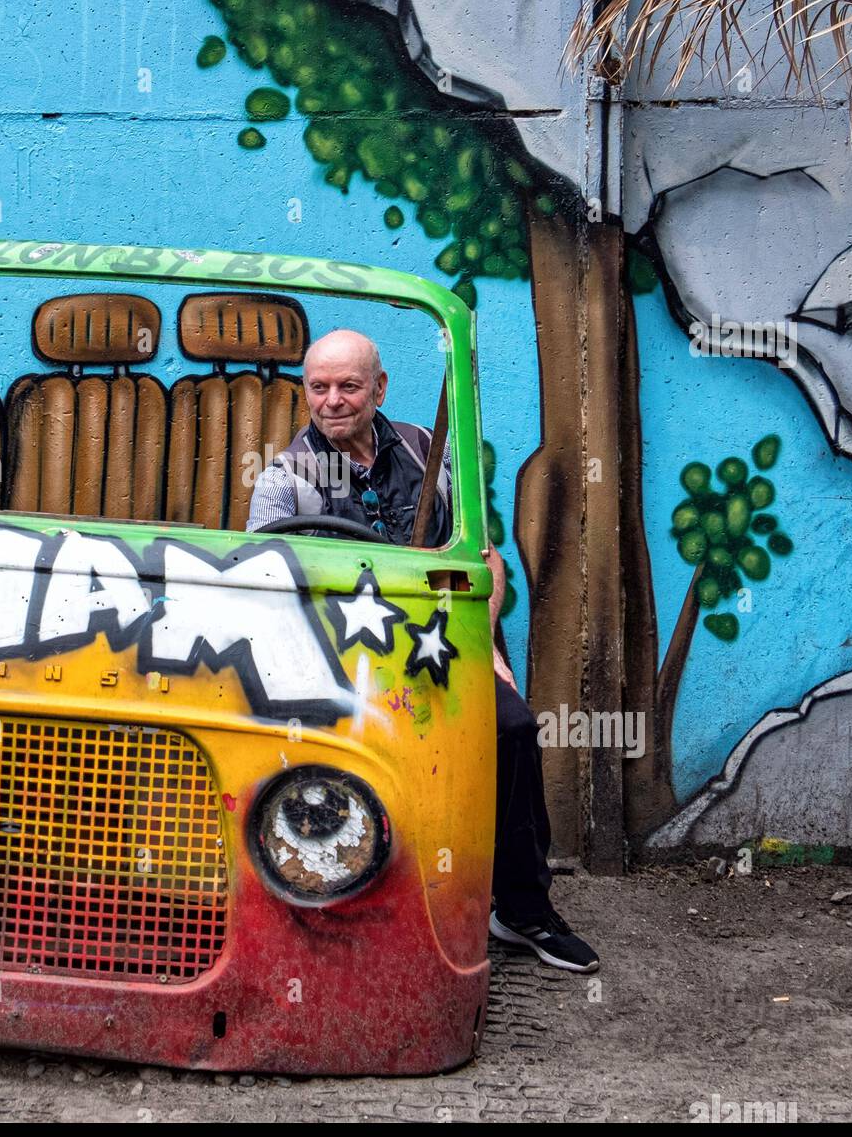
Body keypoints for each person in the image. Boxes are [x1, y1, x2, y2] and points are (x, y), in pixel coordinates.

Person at [247, 329, 600, 973]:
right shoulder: (282, 482)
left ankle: (520, 911)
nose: (331, 401)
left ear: (379, 388)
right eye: (318, 387)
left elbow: (482, 561)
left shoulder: (428, 451)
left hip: (430, 649)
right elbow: (263, 588)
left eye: (348, 386)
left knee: (514, 727)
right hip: (331, 662)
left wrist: (491, 653)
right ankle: (312, 906)